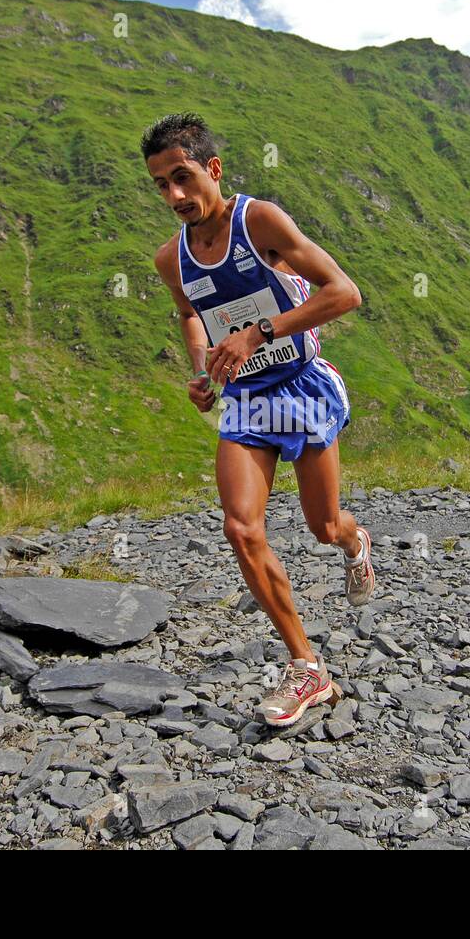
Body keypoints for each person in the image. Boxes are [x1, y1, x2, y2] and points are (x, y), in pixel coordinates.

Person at [143, 111, 376, 727]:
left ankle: (355, 542)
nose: (175, 196)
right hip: (245, 399)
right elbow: (191, 312)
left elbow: (343, 293)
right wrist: (203, 367)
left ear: (212, 169)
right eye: (162, 185)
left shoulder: (261, 221)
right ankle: (307, 669)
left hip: (300, 386)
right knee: (241, 528)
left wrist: (258, 332)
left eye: (183, 177)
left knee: (324, 526)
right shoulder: (173, 258)